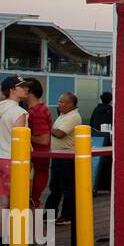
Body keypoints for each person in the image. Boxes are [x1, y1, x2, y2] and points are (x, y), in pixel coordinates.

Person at [0, 76, 31, 246]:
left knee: (2, 202)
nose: (27, 90)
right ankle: (12, 244)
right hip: (14, 160)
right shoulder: (18, 112)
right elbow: (19, 140)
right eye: (23, 87)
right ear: (13, 90)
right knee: (18, 202)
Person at [46, 93, 82, 226]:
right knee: (55, 186)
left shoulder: (73, 117)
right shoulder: (64, 115)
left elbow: (60, 134)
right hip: (58, 155)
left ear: (71, 104)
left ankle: (67, 215)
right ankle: (50, 212)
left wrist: (47, 128)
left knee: (67, 187)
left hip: (67, 156)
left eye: (62, 102)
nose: (59, 104)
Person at [21, 78, 52, 209]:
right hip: (37, 164)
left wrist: (21, 135)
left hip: (36, 162)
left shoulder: (37, 112)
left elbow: (44, 140)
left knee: (32, 201)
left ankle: (37, 229)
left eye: (22, 88)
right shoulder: (40, 109)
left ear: (29, 92)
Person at [90, 92, 113, 193]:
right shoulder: (111, 110)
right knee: (107, 160)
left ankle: (95, 185)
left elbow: (91, 123)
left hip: (95, 138)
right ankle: (106, 185)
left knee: (95, 161)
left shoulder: (96, 109)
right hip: (107, 138)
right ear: (111, 99)